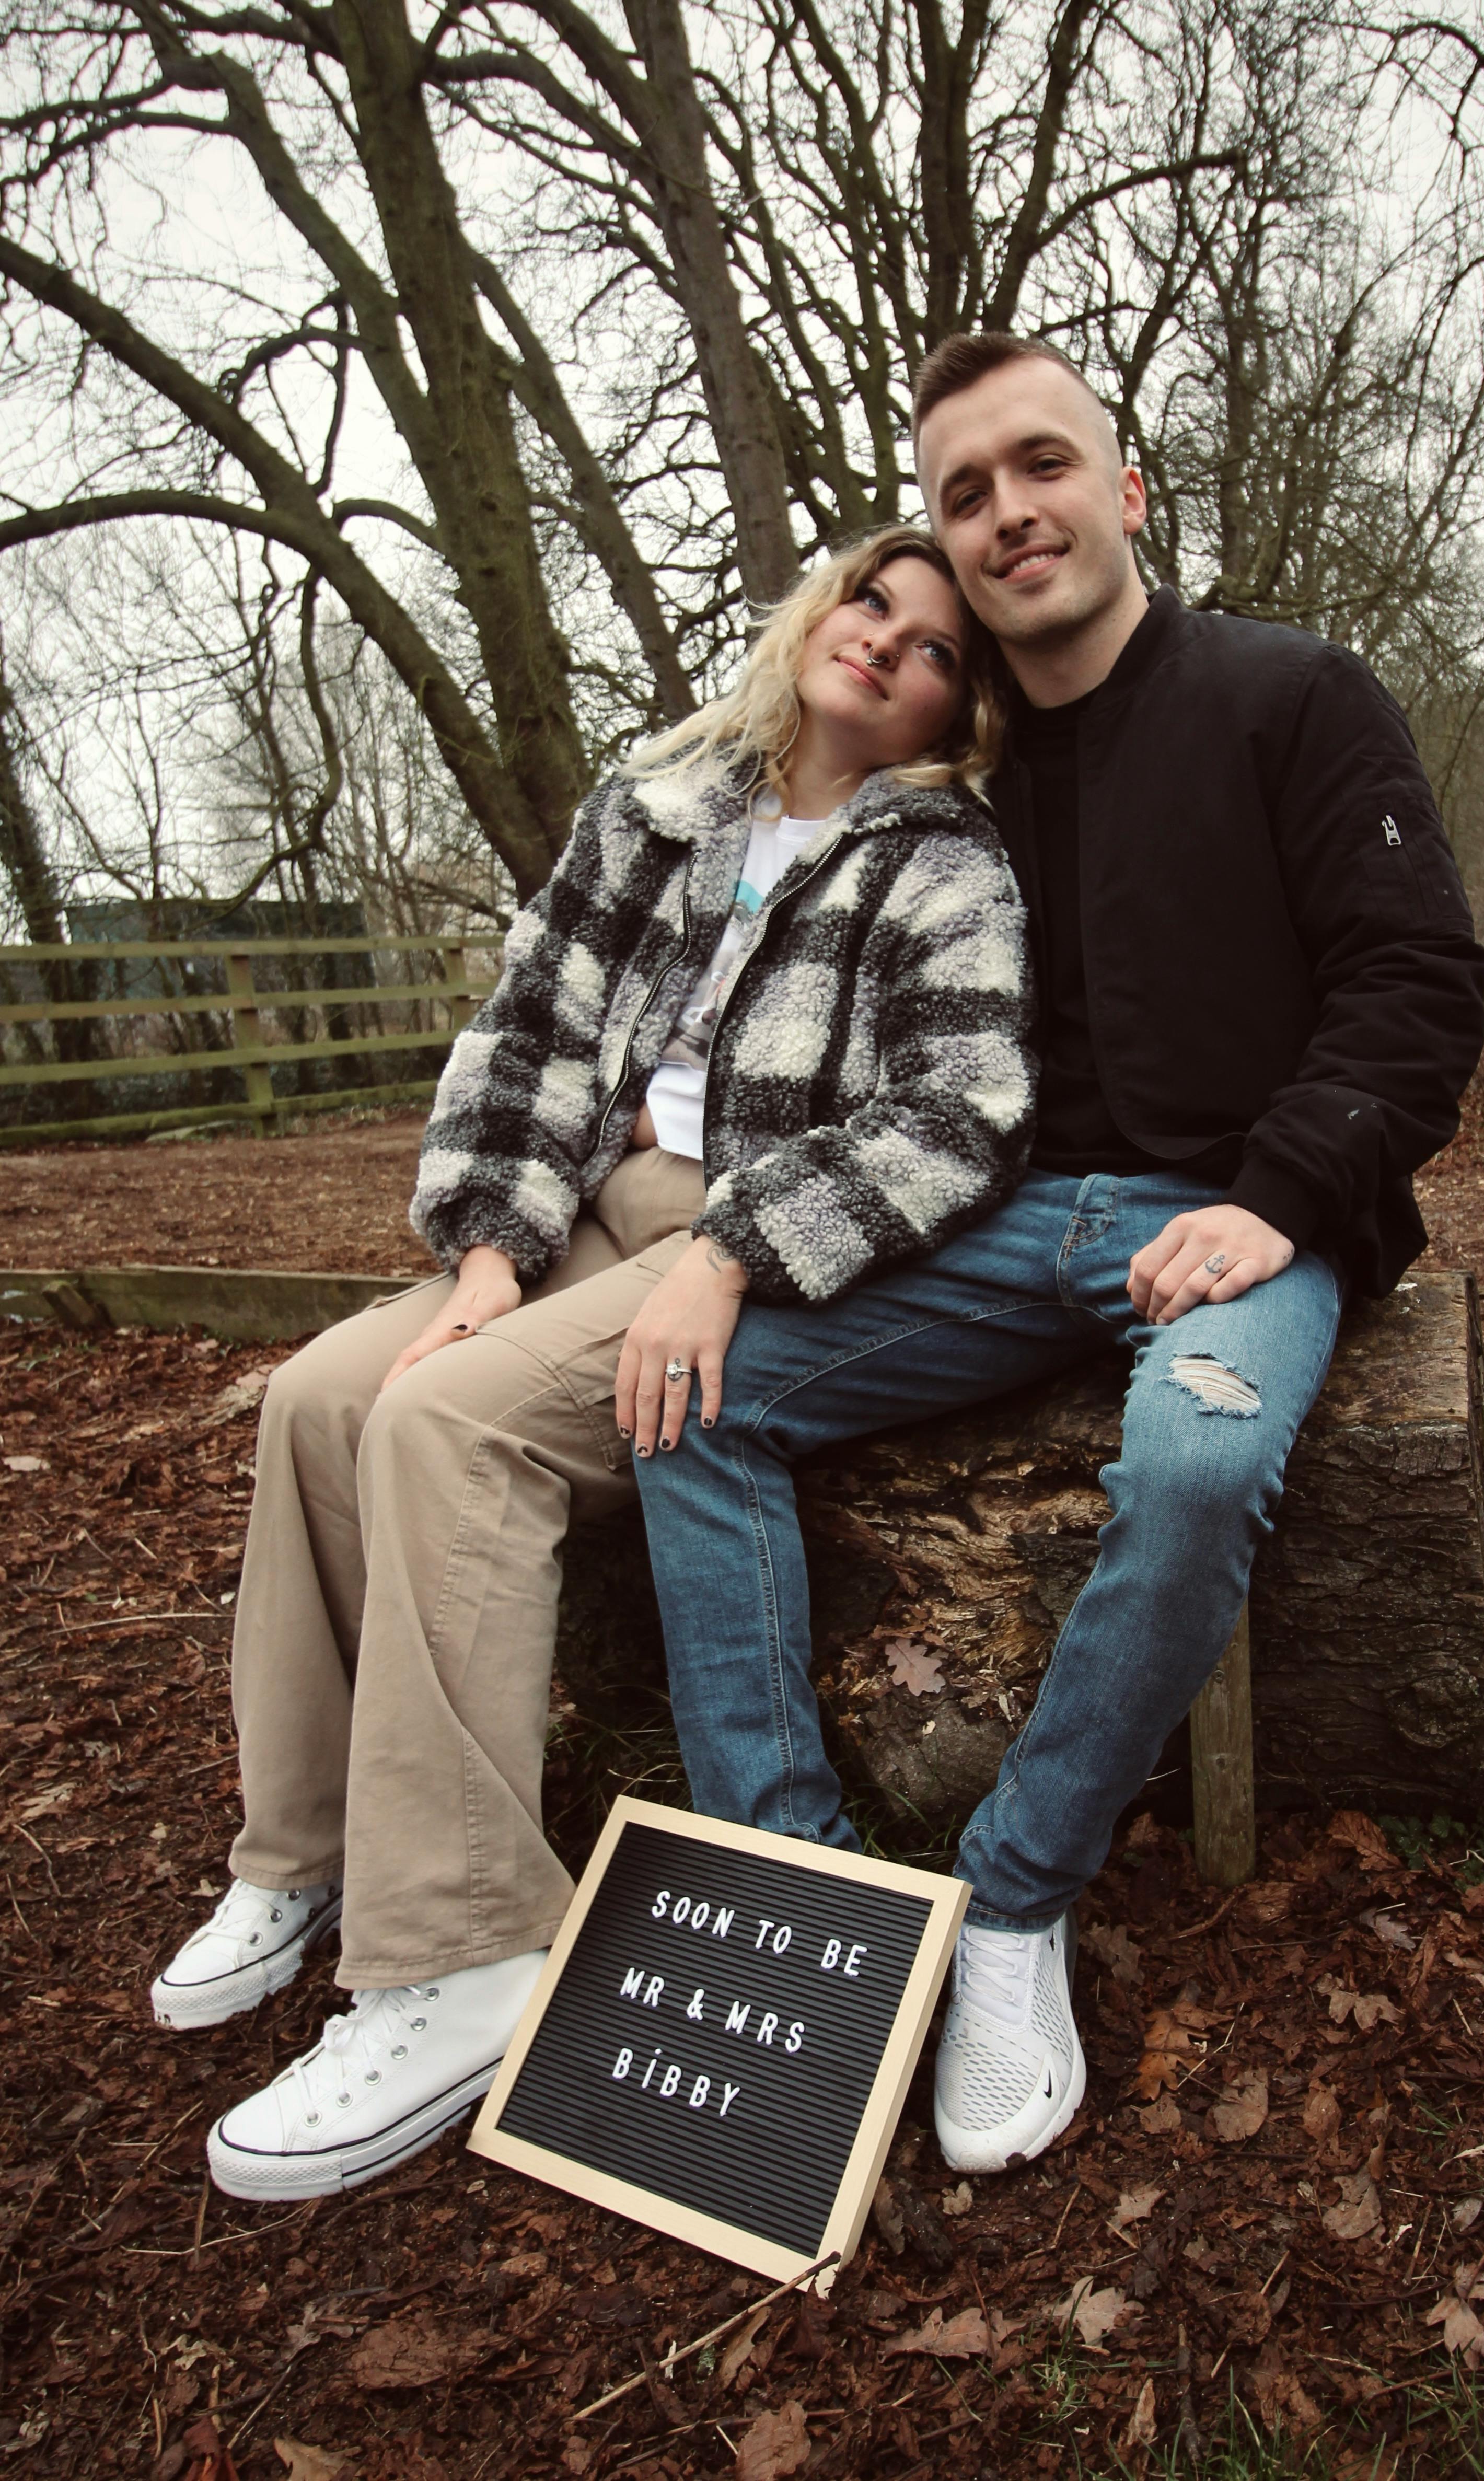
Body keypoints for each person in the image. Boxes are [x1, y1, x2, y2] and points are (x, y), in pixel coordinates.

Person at [634, 333, 1484, 2176]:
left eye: (1042, 465)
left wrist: (1279, 1194)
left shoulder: (1295, 695)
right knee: (691, 1405)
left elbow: (1420, 985)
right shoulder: (951, 779)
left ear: (1126, 488)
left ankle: (1013, 1901)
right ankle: (815, 1907)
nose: (1007, 511)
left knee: (1191, 1466)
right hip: (996, 1227)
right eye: (964, 491)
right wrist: (704, 1217)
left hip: (1242, 1221)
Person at [150, 523, 1036, 2200]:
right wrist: (487, 1246)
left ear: (952, 712)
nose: (888, 643)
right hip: (579, 1210)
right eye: (873, 600)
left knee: (447, 1426)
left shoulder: (945, 863)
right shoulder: (664, 796)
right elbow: (533, 1024)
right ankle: (307, 1850)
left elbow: (962, 1112)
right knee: (323, 1397)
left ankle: (468, 1949)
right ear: (817, 608)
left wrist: (734, 1247)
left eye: (934, 647)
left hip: (748, 1237)